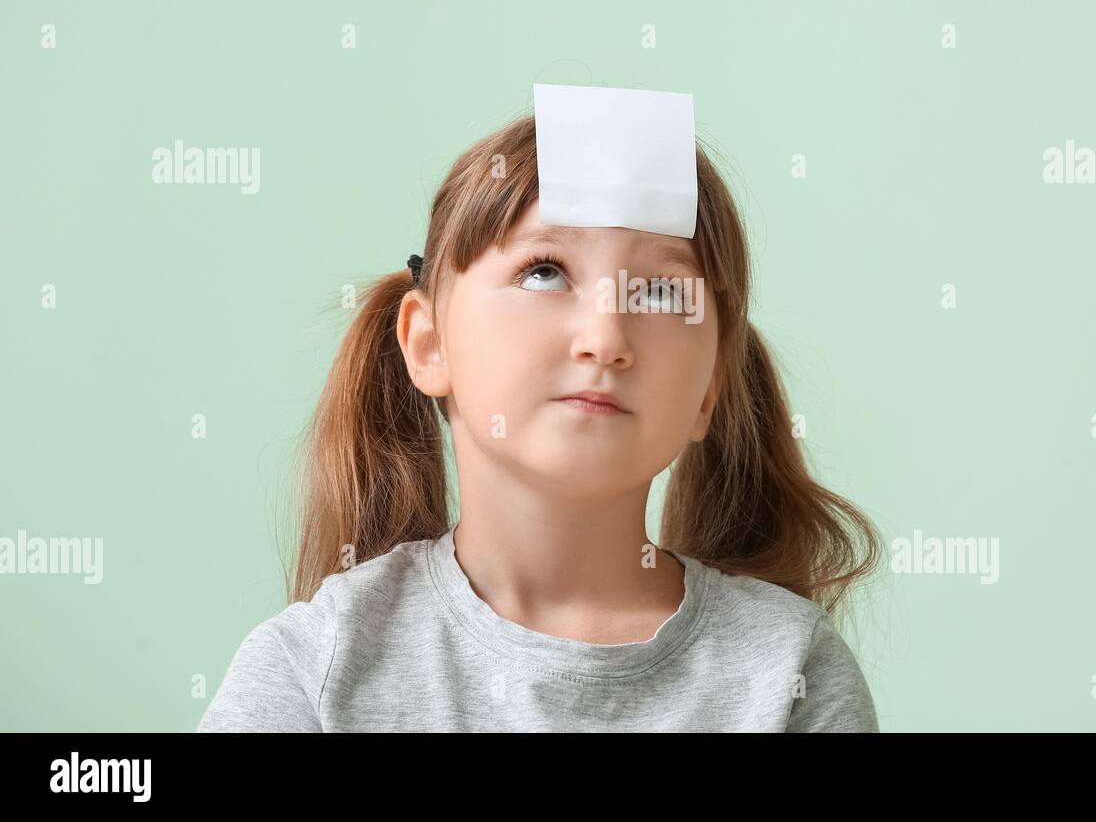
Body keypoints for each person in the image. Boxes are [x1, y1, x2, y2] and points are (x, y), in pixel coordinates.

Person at [197, 113, 885, 731]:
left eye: (660, 291)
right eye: (546, 272)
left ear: (710, 389)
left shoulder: (792, 674)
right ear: (429, 344)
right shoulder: (313, 670)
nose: (605, 337)